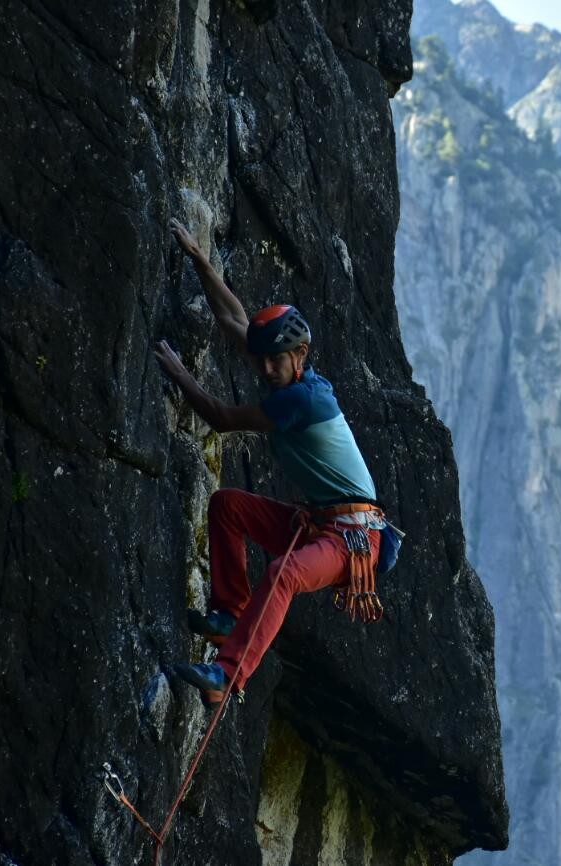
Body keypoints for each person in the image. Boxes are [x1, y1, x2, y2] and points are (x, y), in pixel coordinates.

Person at [154, 218, 388, 705]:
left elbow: (219, 417)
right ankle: (228, 614)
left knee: (284, 572)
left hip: (353, 539)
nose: (263, 369)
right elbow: (235, 320)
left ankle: (229, 675)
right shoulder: (288, 375)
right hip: (324, 521)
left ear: (298, 354)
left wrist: (180, 373)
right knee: (227, 506)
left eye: (274, 361)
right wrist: (200, 259)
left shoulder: (300, 399)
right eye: (262, 361)